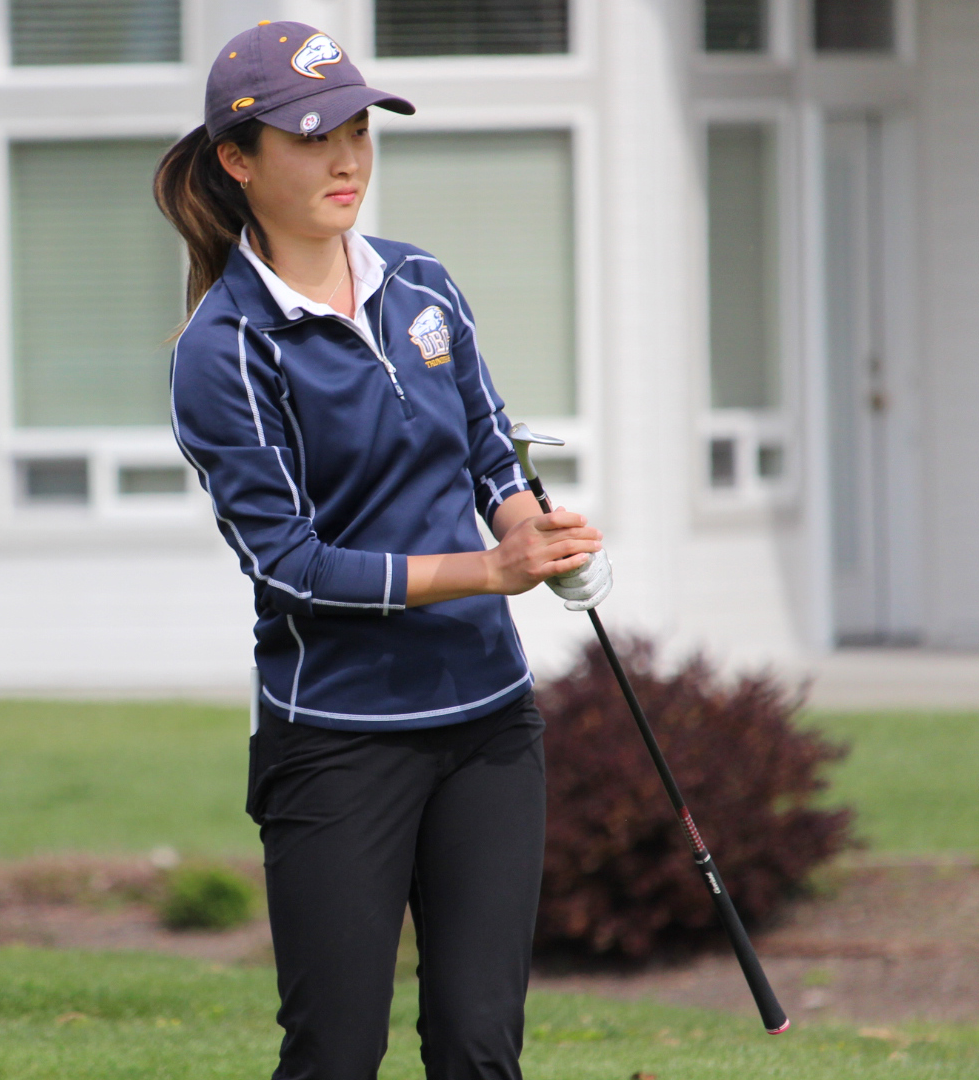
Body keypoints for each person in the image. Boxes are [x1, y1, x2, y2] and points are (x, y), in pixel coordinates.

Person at [154, 21, 612, 1080]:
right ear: (237, 158)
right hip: (341, 742)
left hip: (490, 727)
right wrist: (487, 574)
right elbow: (291, 566)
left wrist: (523, 526)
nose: (347, 159)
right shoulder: (223, 352)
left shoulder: (421, 283)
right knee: (333, 1057)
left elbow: (490, 448)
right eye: (312, 137)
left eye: (358, 130)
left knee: (478, 1047)